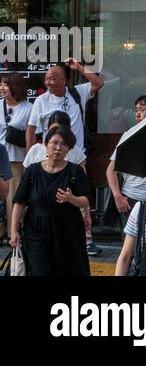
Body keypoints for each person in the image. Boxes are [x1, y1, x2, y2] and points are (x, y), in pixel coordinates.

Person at [24, 59, 103, 255]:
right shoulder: (41, 101)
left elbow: (98, 84)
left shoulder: (77, 93)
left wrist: (80, 68)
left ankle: (86, 237)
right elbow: (31, 129)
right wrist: (31, 153)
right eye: (46, 78)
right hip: (50, 155)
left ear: (64, 80)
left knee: (79, 194)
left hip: (75, 155)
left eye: (53, 78)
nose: (48, 82)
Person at [9, 126, 90, 276]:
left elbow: (85, 200)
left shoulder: (75, 171)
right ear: (46, 144)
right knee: (39, 271)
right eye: (55, 143)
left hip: (67, 231)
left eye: (64, 145)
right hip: (35, 230)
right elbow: (19, 202)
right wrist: (13, 231)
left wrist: (71, 199)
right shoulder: (33, 171)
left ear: (69, 149)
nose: (58, 148)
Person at [107, 94, 146, 222]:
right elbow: (111, 170)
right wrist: (118, 197)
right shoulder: (129, 135)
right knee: (130, 241)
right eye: (136, 110)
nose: (137, 114)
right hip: (131, 197)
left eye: (142, 109)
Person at [1, 73, 31, 237]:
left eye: (6, 84)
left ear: (16, 87)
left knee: (13, 199)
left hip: (16, 161)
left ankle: (14, 232)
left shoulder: (29, 108)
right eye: (1, 84)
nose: (2, 88)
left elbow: (32, 137)